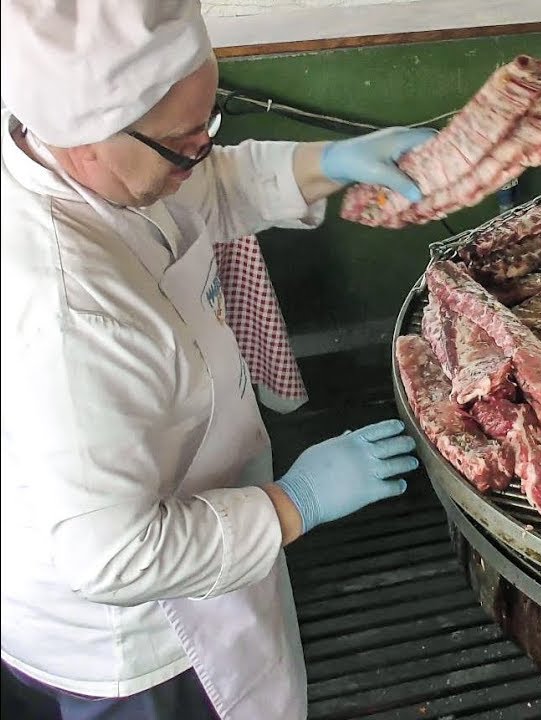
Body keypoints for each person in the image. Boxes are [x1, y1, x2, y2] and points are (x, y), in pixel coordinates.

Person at [0, 2, 440, 718]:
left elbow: (212, 184)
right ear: (84, 141)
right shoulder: (63, 312)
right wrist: (297, 504)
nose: (201, 152)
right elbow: (115, 559)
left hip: (198, 506)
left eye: (209, 128)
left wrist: (329, 162)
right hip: (134, 634)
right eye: (183, 143)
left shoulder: (88, 160)